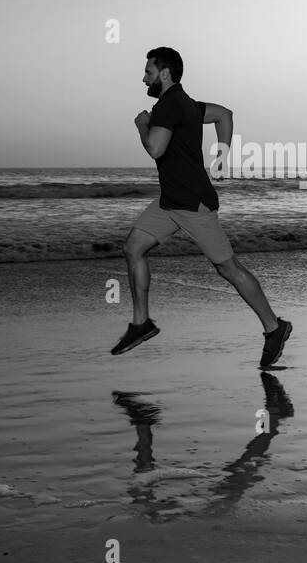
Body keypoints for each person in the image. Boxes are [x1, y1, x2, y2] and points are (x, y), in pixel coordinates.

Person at [111, 46, 292, 368]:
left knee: (228, 268)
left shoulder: (168, 105)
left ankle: (274, 327)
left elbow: (155, 148)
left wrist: (142, 124)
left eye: (148, 72)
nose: (144, 78)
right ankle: (141, 323)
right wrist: (222, 157)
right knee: (133, 247)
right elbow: (224, 114)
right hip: (170, 201)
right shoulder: (187, 104)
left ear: (164, 73)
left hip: (192, 204)